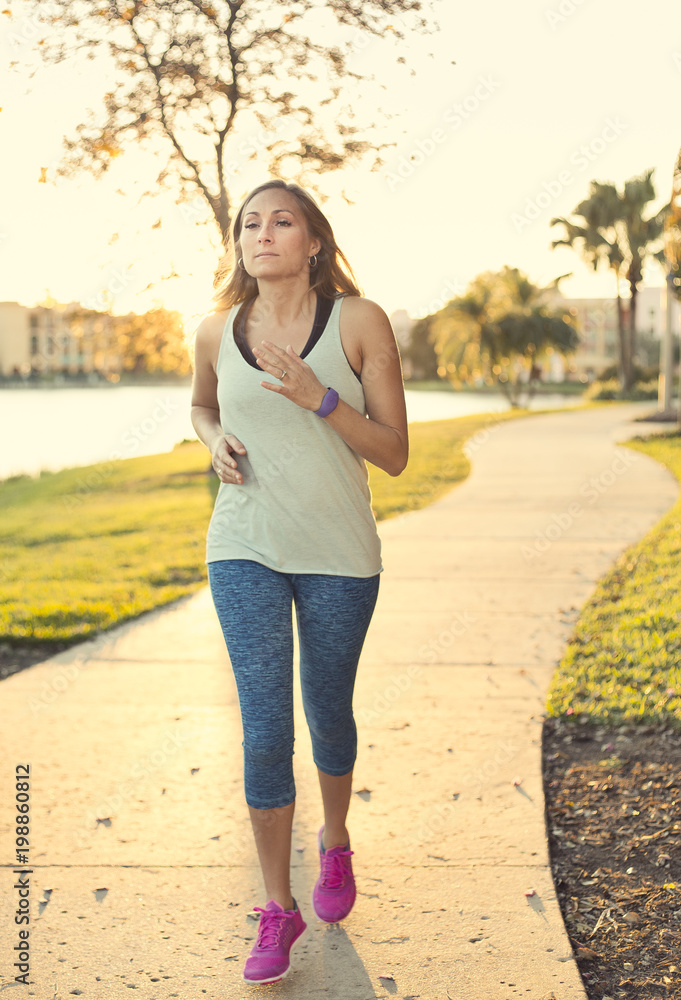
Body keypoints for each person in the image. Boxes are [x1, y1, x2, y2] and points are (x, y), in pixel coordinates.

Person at [190, 178, 408, 985]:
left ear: (314, 240)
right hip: (242, 543)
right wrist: (213, 441)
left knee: (328, 711)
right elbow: (203, 408)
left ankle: (337, 840)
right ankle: (276, 907)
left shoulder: (358, 320)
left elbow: (391, 452)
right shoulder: (215, 329)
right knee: (263, 725)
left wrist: (321, 401)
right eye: (251, 223)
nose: (263, 233)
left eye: (282, 221)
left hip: (339, 552)